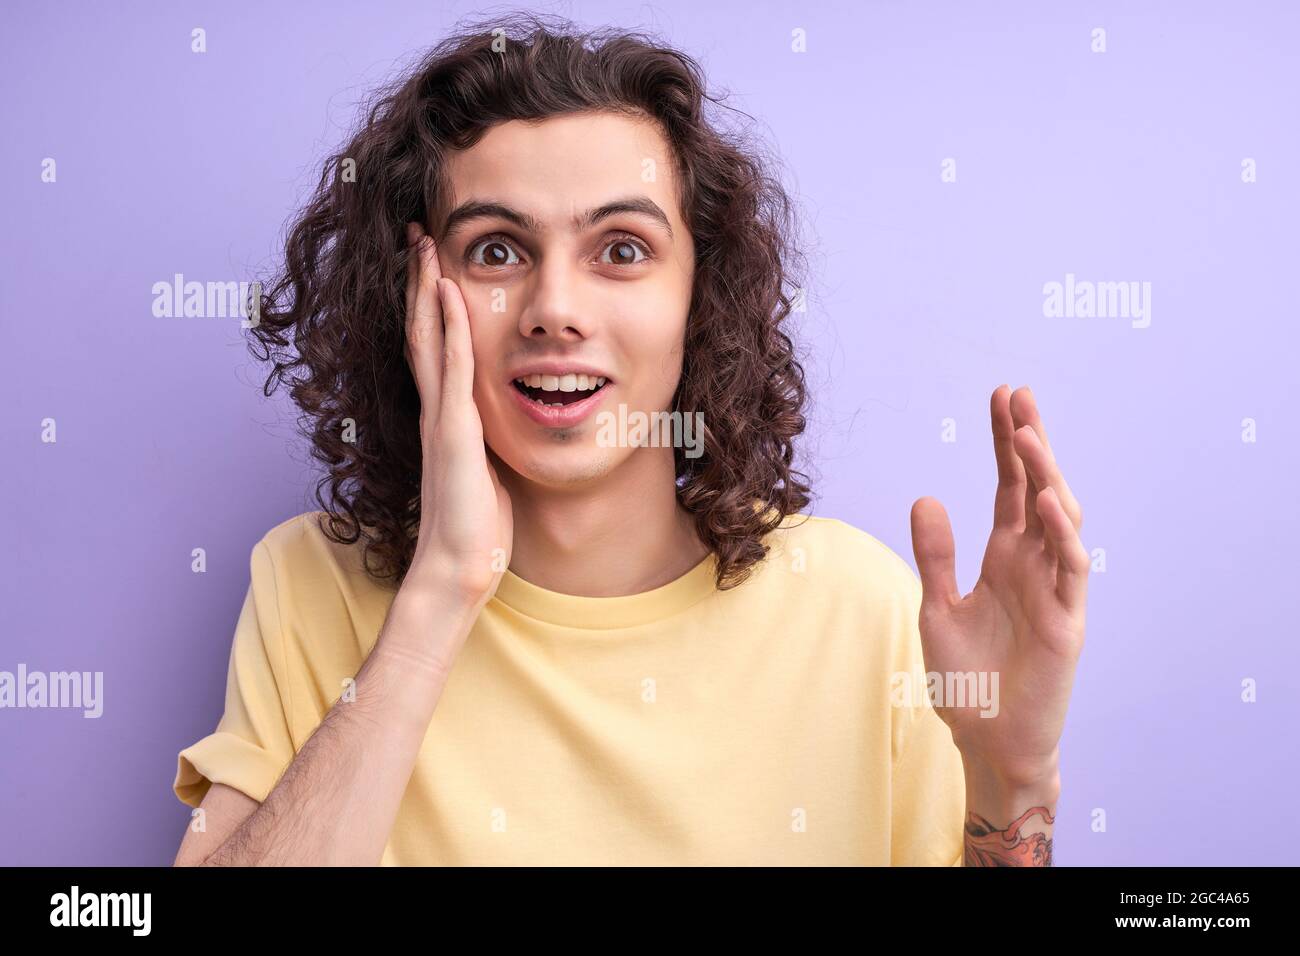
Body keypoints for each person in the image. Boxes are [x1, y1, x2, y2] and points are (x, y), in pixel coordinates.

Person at [171, 13, 1088, 866]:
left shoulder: (861, 608)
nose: (556, 311)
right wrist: (436, 600)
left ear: (702, 293)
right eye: (496, 249)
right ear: (413, 295)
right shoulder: (309, 587)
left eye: (620, 249)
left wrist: (1014, 775)